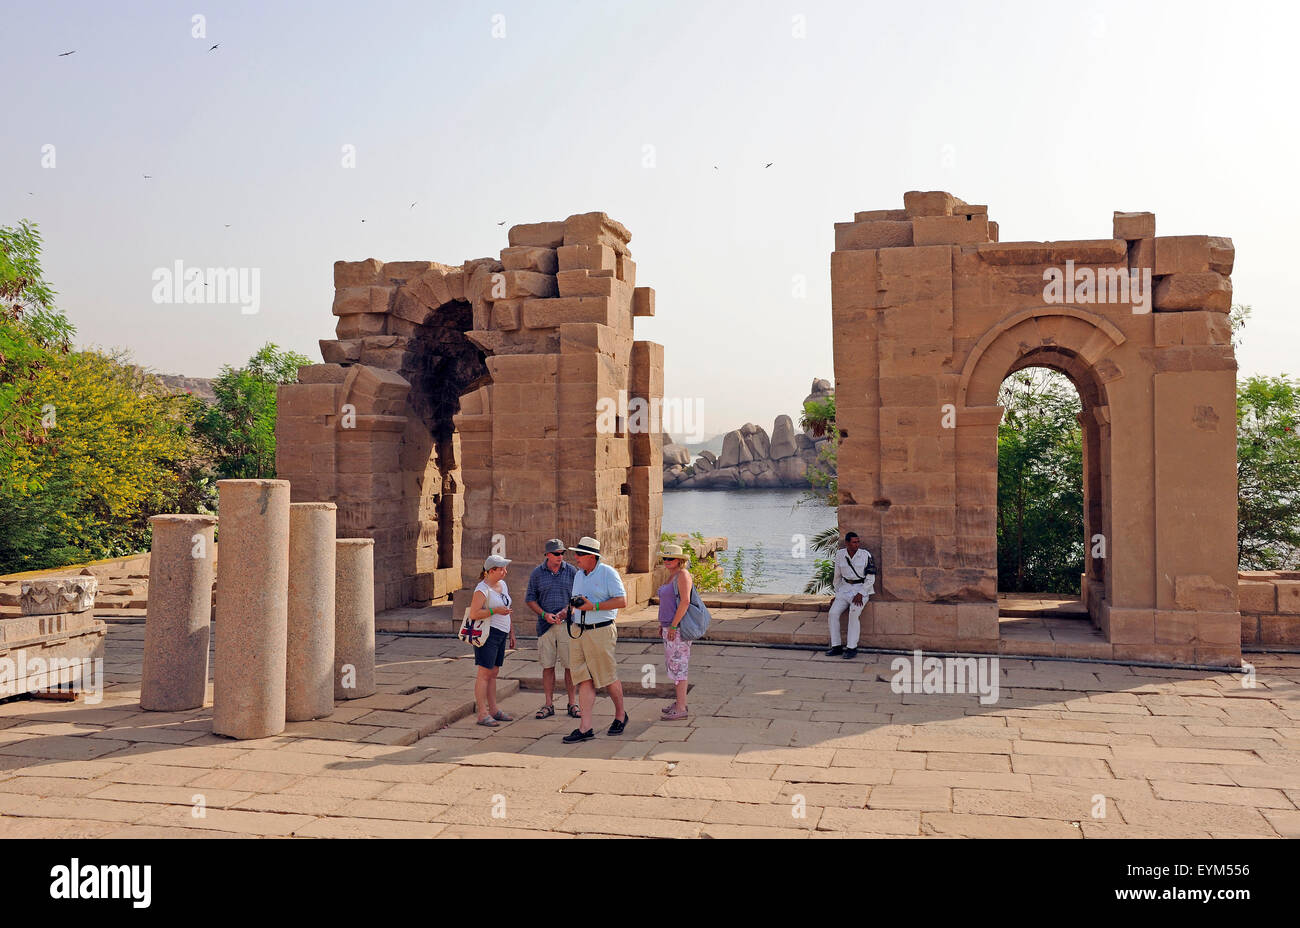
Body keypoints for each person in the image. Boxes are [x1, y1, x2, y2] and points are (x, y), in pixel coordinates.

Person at [561, 536, 629, 743]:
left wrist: (594, 607)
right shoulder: (579, 575)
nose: (576, 557)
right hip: (578, 630)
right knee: (583, 678)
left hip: (600, 631)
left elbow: (622, 601)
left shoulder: (608, 573)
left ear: (592, 556)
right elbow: (578, 601)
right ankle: (585, 727)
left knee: (607, 677)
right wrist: (568, 610)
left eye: (580, 554)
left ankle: (620, 715)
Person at [525, 538, 580, 720]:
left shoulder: (572, 571)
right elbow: (530, 599)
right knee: (547, 666)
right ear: (547, 555)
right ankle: (549, 704)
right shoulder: (537, 574)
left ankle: (572, 703)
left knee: (570, 666)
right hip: (545, 626)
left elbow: (579, 597)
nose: (560, 556)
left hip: (567, 625)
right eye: (557, 553)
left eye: (562, 553)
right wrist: (544, 615)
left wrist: (567, 610)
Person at [470, 554, 517, 726]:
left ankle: (494, 709)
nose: (505, 571)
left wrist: (511, 632)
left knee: (494, 673)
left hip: (501, 633)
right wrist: (494, 611)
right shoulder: (481, 589)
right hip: (488, 634)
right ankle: (482, 713)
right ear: (491, 571)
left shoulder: (502, 585)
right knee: (484, 673)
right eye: (502, 569)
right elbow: (474, 613)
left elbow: (507, 608)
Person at [657, 543, 693, 720]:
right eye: (665, 558)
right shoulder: (671, 576)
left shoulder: (683, 575)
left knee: (679, 667)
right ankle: (680, 702)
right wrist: (663, 624)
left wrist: (673, 625)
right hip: (668, 626)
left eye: (670, 558)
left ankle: (681, 707)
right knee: (673, 665)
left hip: (677, 629)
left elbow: (685, 601)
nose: (667, 561)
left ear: (680, 560)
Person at [826, 532, 875, 659]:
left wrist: (861, 593)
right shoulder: (840, 555)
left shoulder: (865, 555)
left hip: (861, 590)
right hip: (844, 590)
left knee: (853, 614)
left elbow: (871, 578)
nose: (857, 544)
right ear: (847, 543)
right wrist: (837, 594)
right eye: (854, 542)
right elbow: (837, 577)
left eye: (858, 542)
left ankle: (851, 648)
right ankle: (836, 647)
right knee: (833, 613)